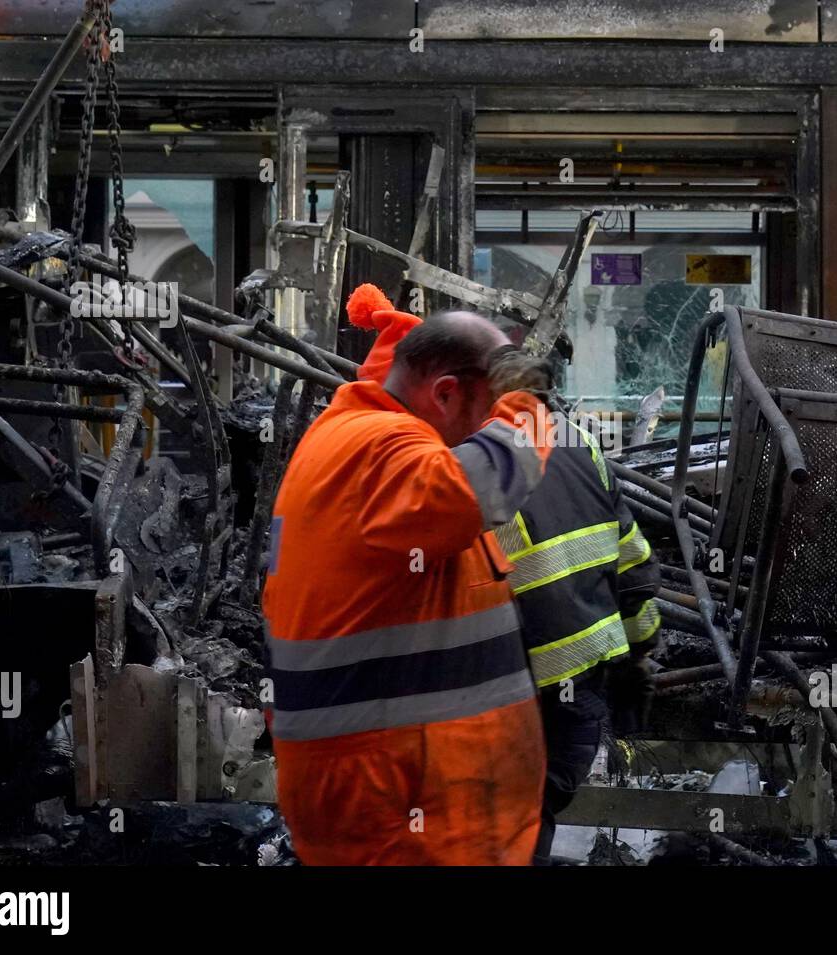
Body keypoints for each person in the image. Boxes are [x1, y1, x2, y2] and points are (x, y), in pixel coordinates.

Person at [262, 285, 556, 865]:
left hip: (412, 791)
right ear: (446, 393)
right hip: (398, 804)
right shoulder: (375, 447)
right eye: (489, 408)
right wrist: (525, 407)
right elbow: (471, 489)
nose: (494, 422)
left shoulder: (371, 435)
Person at [493, 418, 662, 865]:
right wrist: (639, 658)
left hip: (508, 687)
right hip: (579, 687)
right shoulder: (574, 436)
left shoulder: (457, 453)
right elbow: (633, 568)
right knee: (533, 812)